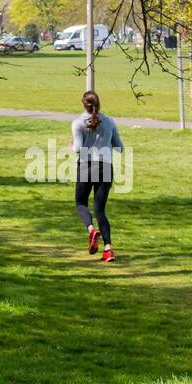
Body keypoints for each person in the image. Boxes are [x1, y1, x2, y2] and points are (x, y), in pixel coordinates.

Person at [72, 89, 123, 263]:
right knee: (100, 209)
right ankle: (108, 249)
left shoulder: (78, 123)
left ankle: (92, 230)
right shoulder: (109, 121)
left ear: (83, 105)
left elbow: (78, 149)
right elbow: (120, 147)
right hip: (106, 168)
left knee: (80, 203)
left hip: (87, 166)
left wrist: (72, 144)